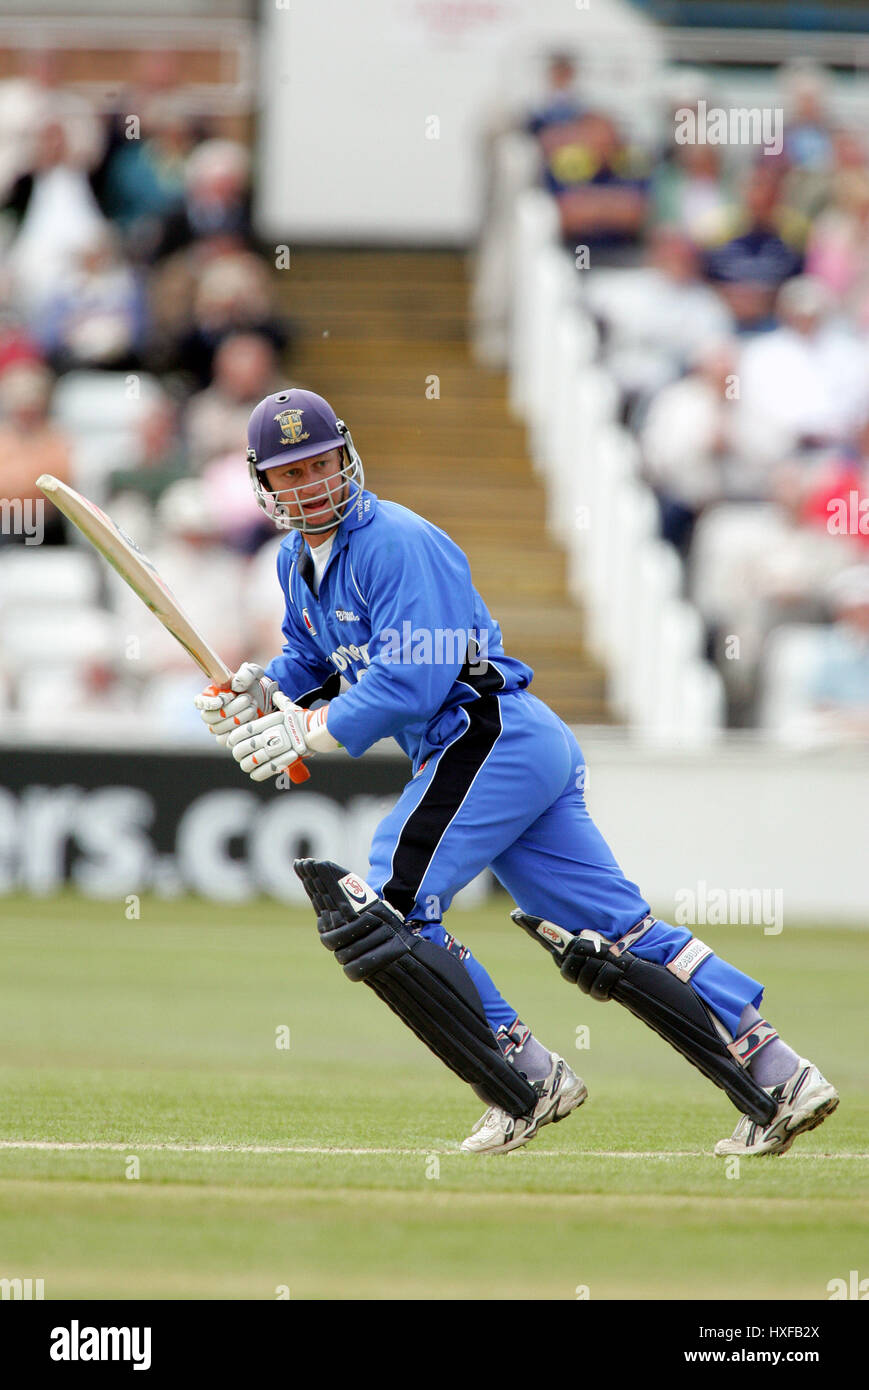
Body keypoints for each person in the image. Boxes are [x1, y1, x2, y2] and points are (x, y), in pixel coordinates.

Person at [194, 388, 839, 1157]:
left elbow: (413, 680)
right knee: (610, 931)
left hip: (485, 731)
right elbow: (315, 660)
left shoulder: (394, 542)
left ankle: (522, 1074)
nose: (311, 484)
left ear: (347, 456)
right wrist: (266, 690)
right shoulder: (296, 561)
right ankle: (777, 1070)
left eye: (320, 463)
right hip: (504, 744)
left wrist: (312, 729)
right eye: (290, 473)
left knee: (389, 907)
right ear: (262, 484)